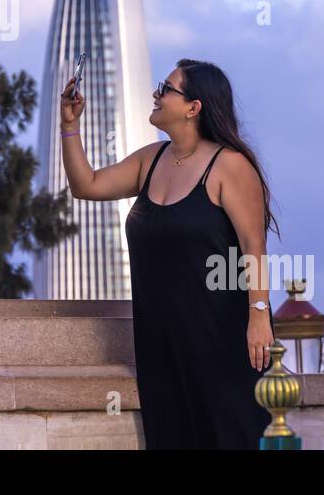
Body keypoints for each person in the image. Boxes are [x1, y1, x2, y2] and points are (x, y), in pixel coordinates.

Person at [59, 58, 278, 448]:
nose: (155, 94)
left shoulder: (229, 166)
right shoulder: (152, 159)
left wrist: (259, 315)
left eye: (166, 87)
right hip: (160, 342)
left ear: (194, 107)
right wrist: (70, 125)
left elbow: (253, 247)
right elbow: (87, 185)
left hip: (222, 340)